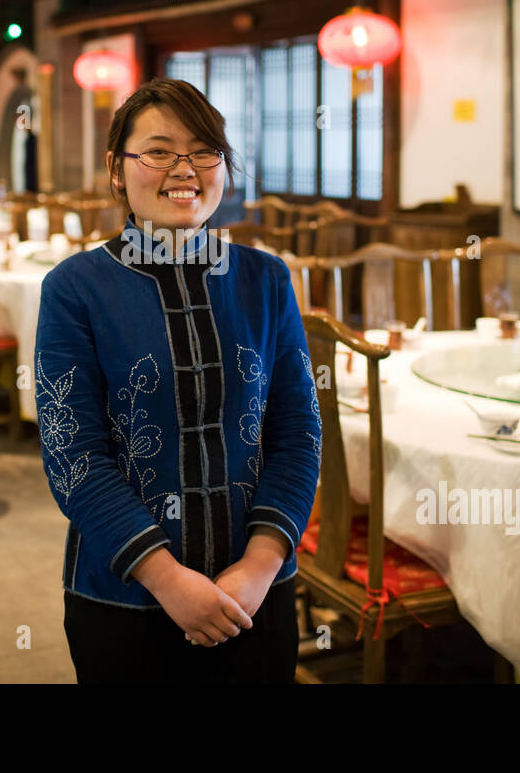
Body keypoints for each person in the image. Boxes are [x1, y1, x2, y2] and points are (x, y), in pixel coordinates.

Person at [33, 78, 322, 683]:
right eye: (159, 151)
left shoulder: (267, 280)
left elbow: (297, 434)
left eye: (203, 150)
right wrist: (167, 579)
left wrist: (259, 567)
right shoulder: (76, 288)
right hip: (125, 599)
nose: (183, 169)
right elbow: (75, 456)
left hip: (254, 598)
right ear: (118, 168)